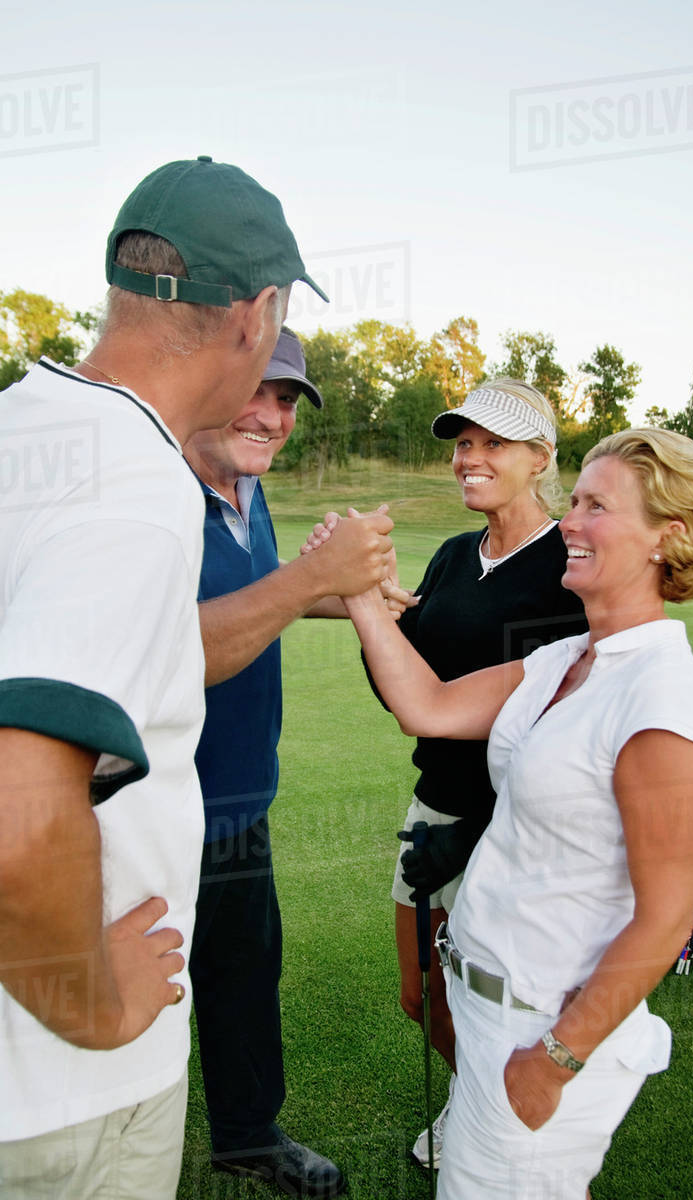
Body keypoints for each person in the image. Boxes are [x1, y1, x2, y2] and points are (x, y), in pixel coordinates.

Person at [0, 155, 383, 1200]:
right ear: (257, 313)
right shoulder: (135, 480)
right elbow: (19, 813)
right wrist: (96, 1007)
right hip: (63, 1089)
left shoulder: (26, 423)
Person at [341, 428, 693, 1200]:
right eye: (575, 501)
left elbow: (665, 921)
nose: (570, 522)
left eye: (597, 507)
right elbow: (428, 705)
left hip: (539, 1033)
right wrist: (360, 595)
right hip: (486, 1014)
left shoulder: (662, 703)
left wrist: (554, 1061)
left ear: (668, 536)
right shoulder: (567, 659)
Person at [183, 327, 399, 1198]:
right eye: (258, 390)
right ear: (211, 375)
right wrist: (314, 580)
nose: (272, 417)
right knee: (132, 992)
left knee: (242, 975)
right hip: (150, 806)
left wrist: (356, 596)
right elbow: (172, 647)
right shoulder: (153, 491)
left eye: (286, 401)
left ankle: (246, 1135)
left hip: (241, 794)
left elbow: (254, 595)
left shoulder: (248, 486)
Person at [358, 379, 588, 1165]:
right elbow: (410, 692)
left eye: (494, 444)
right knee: (422, 997)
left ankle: (501, 1131)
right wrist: (375, 613)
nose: (470, 458)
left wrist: (483, 832)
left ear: (540, 459)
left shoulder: (570, 567)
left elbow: (563, 729)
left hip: (520, 828)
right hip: (437, 808)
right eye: (463, 443)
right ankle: (477, 1101)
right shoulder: (455, 556)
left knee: (505, 1010)